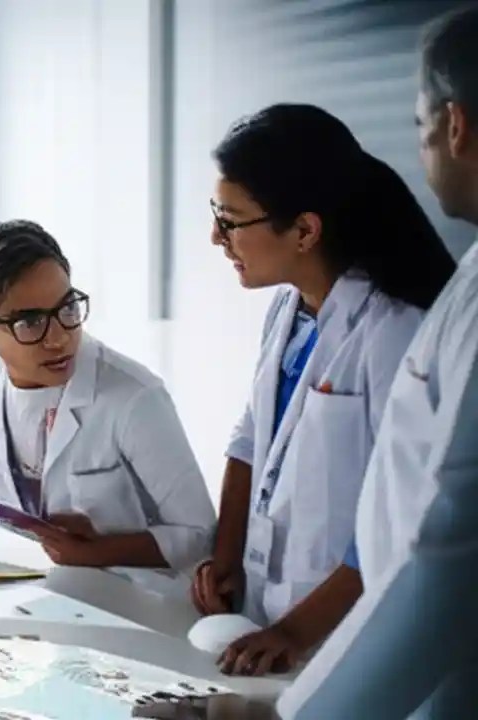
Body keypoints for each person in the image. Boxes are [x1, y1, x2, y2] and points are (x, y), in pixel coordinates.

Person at [190, 104, 457, 678]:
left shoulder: (395, 330)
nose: (216, 236)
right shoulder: (288, 309)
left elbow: (407, 513)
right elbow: (248, 439)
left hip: (340, 627)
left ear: (306, 230)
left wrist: (295, 630)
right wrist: (228, 553)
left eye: (231, 220)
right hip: (269, 615)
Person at [276, 6, 478, 718]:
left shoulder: (422, 313)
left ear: (455, 126)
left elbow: (445, 554)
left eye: (420, 128)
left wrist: (294, 713)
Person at [0, 220, 215, 571]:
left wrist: (97, 552)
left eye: (68, 308)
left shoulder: (133, 397)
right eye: (30, 323)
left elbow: (199, 535)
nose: (59, 338)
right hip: (71, 587)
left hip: (150, 599)